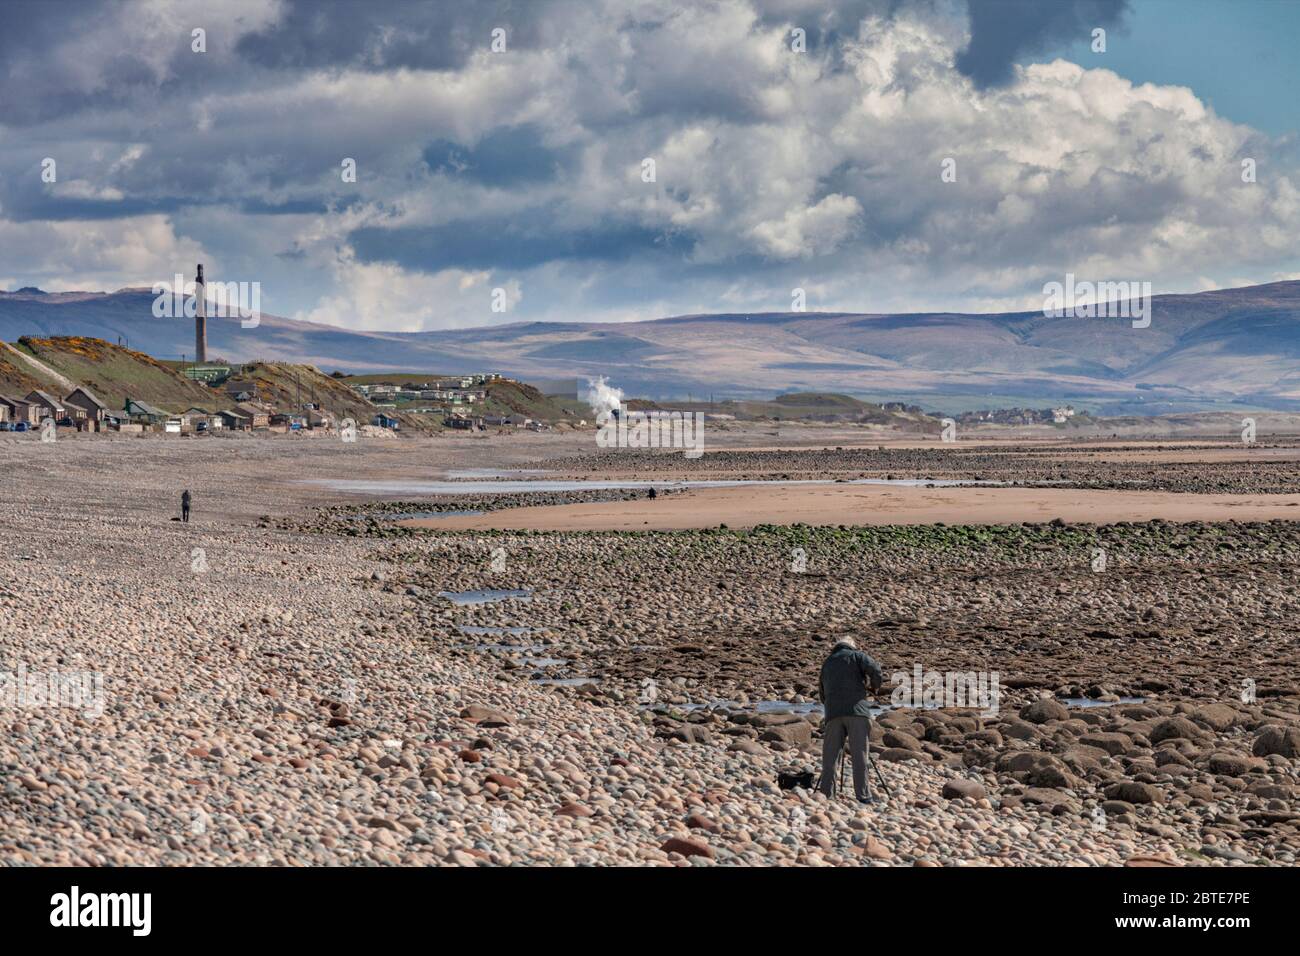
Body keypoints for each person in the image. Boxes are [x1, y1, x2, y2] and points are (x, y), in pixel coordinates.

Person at [817, 637, 883, 803]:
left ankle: (826, 794)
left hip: (833, 714)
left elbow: (822, 692)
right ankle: (863, 796)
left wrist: (831, 705)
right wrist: (874, 687)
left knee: (830, 757)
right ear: (851, 646)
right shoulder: (858, 656)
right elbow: (876, 670)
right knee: (860, 755)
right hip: (857, 712)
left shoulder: (827, 662)